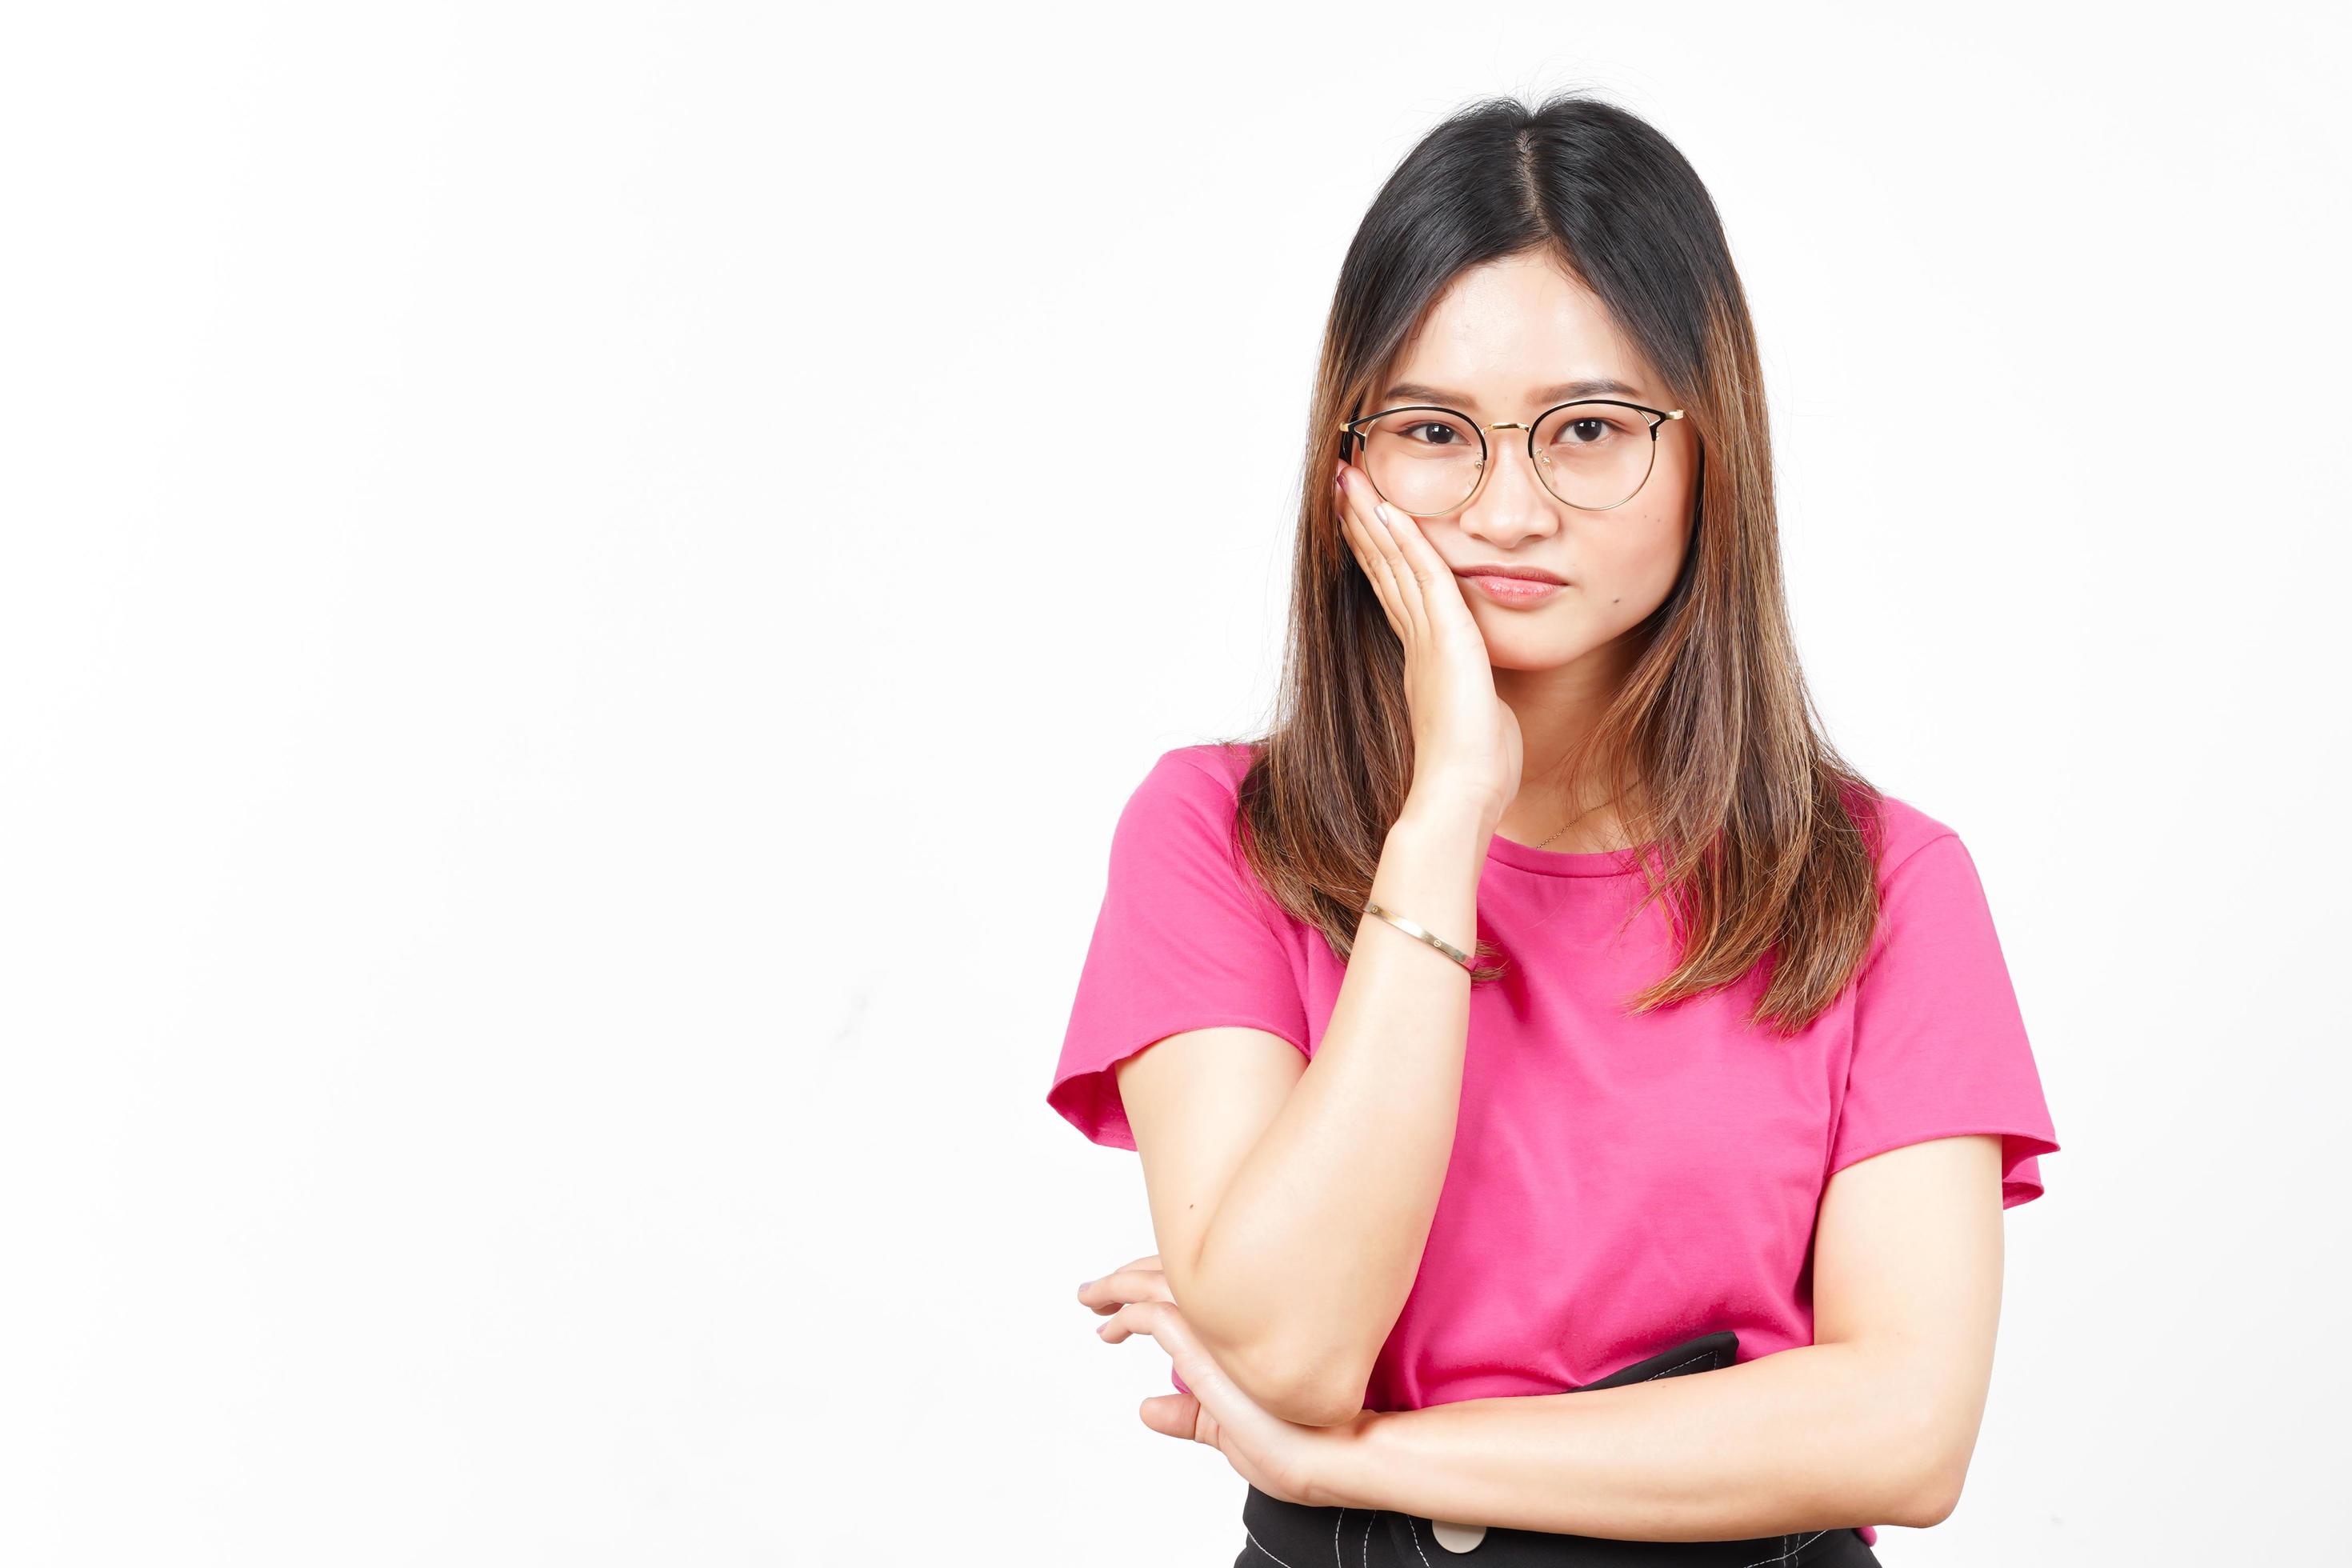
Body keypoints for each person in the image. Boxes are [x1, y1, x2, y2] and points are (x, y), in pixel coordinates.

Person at [1046, 91, 2060, 1568]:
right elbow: (1293, 1353)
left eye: (1589, 429)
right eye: (1434, 432)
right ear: (1350, 468)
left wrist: (1361, 1467)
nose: (1506, 508)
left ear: (1711, 450)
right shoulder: (1217, 835)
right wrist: (1450, 796)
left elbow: (1901, 1436)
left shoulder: (1882, 887)